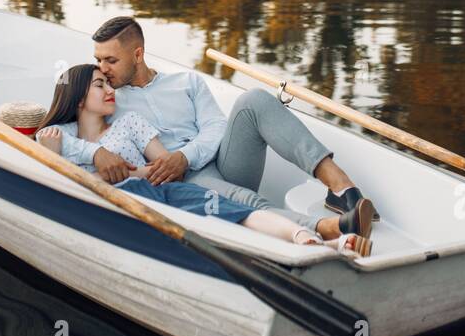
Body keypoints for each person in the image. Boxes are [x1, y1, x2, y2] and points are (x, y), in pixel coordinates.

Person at [51, 16, 377, 251]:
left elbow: (216, 127)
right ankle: (321, 231)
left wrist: (185, 156)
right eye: (98, 60)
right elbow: (58, 130)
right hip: (180, 183)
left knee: (254, 99)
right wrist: (94, 153)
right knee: (242, 199)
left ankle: (342, 188)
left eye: (110, 60)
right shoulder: (109, 101)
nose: (103, 69)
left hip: (218, 161)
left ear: (137, 55)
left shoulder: (186, 82)